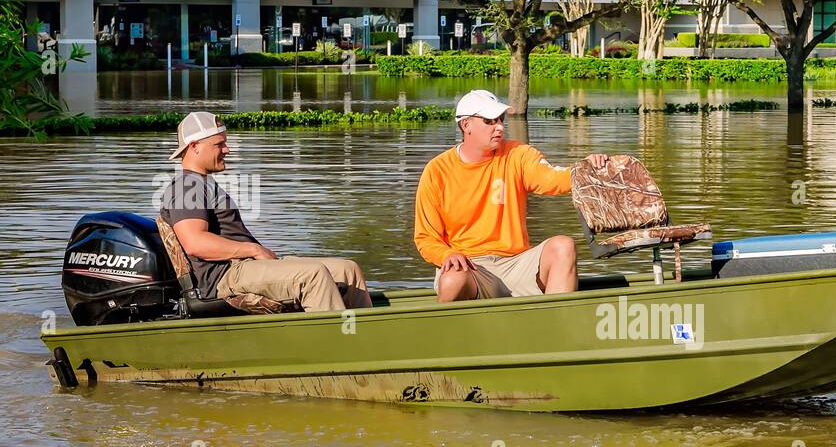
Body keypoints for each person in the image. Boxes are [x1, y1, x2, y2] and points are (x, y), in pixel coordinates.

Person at [158, 111, 371, 313]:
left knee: (347, 270)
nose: (227, 149)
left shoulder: (201, 183)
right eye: (219, 144)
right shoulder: (186, 186)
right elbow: (195, 243)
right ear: (195, 146)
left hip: (246, 266)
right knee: (313, 275)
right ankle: (338, 344)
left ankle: (366, 337)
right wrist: (254, 250)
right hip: (227, 276)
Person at [413, 89, 608, 302]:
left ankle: (554, 326)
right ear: (466, 125)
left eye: (500, 119)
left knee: (563, 246)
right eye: (489, 121)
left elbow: (552, 179)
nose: (499, 127)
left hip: (517, 264)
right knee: (452, 279)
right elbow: (426, 238)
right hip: (470, 267)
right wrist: (447, 255)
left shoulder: (518, 154)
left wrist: (586, 169)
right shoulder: (437, 170)